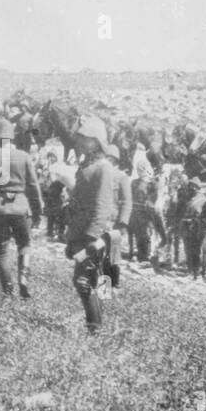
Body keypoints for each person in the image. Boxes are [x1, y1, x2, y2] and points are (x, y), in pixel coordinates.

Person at [64, 118, 130, 333]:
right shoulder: (88, 166)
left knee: (90, 279)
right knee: (96, 277)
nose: (81, 142)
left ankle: (96, 327)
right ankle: (100, 322)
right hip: (81, 231)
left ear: (96, 141)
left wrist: (93, 238)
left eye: (86, 139)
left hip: (97, 233)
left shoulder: (104, 168)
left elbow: (103, 206)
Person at [0, 118, 43, 298]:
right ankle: (23, 280)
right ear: (12, 137)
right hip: (21, 206)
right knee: (25, 245)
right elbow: (33, 186)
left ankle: (8, 291)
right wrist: (38, 210)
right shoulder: (24, 156)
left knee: (1, 251)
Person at [103, 143, 133, 291]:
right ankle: (104, 288)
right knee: (101, 254)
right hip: (101, 220)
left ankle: (115, 284)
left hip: (115, 222)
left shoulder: (122, 177)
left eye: (109, 159)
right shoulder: (101, 175)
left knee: (113, 254)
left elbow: (127, 201)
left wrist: (123, 222)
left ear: (115, 161)